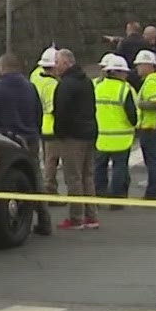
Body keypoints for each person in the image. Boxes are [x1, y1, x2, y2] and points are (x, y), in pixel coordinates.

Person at [0, 53, 54, 235]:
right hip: (30, 138)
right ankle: (44, 218)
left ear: (2, 67)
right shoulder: (30, 87)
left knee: (8, 179)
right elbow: (38, 113)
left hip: (8, 140)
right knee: (35, 178)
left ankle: (11, 218)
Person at [50, 49, 99, 230]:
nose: (55, 66)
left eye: (58, 62)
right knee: (88, 176)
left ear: (67, 63)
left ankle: (76, 217)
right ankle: (91, 216)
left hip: (72, 136)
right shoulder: (86, 81)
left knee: (73, 177)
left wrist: (59, 133)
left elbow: (61, 112)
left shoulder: (65, 85)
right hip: (88, 133)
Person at [92, 54, 139, 206]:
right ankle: (117, 197)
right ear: (118, 72)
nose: (126, 75)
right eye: (124, 72)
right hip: (121, 137)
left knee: (99, 168)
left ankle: (99, 194)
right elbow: (132, 114)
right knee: (119, 168)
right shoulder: (125, 90)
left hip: (101, 136)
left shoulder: (97, 87)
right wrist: (134, 124)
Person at [133, 49, 156, 201]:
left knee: (153, 162)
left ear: (148, 65)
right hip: (155, 128)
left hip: (150, 128)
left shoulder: (152, 82)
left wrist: (139, 104)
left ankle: (154, 192)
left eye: (140, 65)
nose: (137, 68)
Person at [29, 47, 61, 220]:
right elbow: (53, 108)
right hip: (52, 126)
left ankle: (46, 187)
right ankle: (50, 190)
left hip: (38, 125)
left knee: (45, 160)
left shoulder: (35, 76)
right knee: (51, 162)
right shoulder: (53, 85)